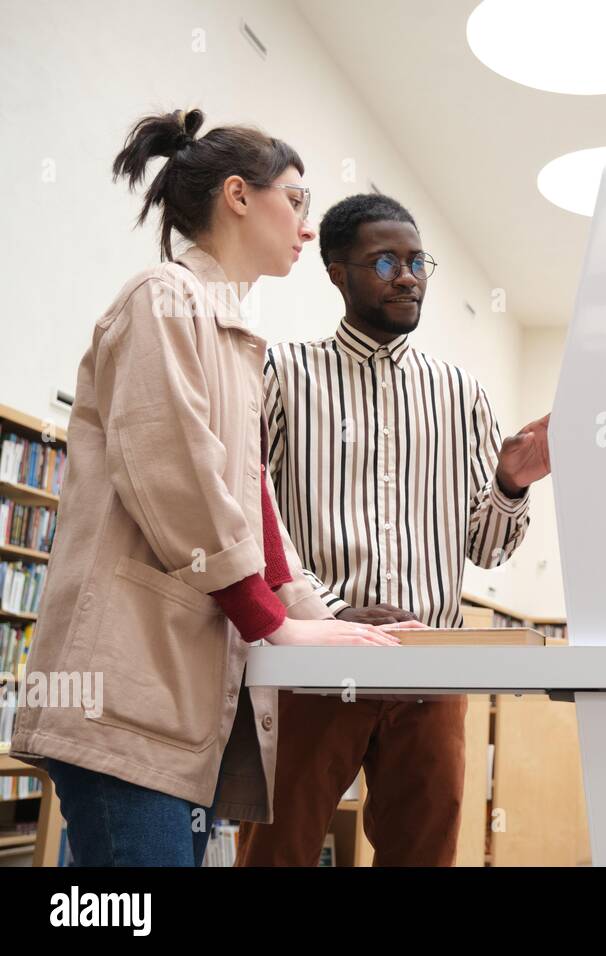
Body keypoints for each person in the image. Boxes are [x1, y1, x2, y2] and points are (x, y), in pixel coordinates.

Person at [8, 109, 409, 867]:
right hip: (125, 693)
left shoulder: (232, 336)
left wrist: (317, 620)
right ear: (237, 195)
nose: (304, 223)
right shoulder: (163, 298)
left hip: (171, 701)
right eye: (295, 199)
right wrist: (271, 621)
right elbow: (178, 479)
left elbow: (252, 502)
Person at [236, 193, 550, 866]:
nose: (407, 276)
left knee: (423, 854)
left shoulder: (460, 393)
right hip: (312, 662)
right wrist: (336, 610)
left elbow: (485, 547)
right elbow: (249, 513)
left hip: (430, 672)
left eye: (416, 262)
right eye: (384, 261)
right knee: (276, 852)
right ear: (336, 271)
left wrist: (511, 482)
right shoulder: (280, 373)